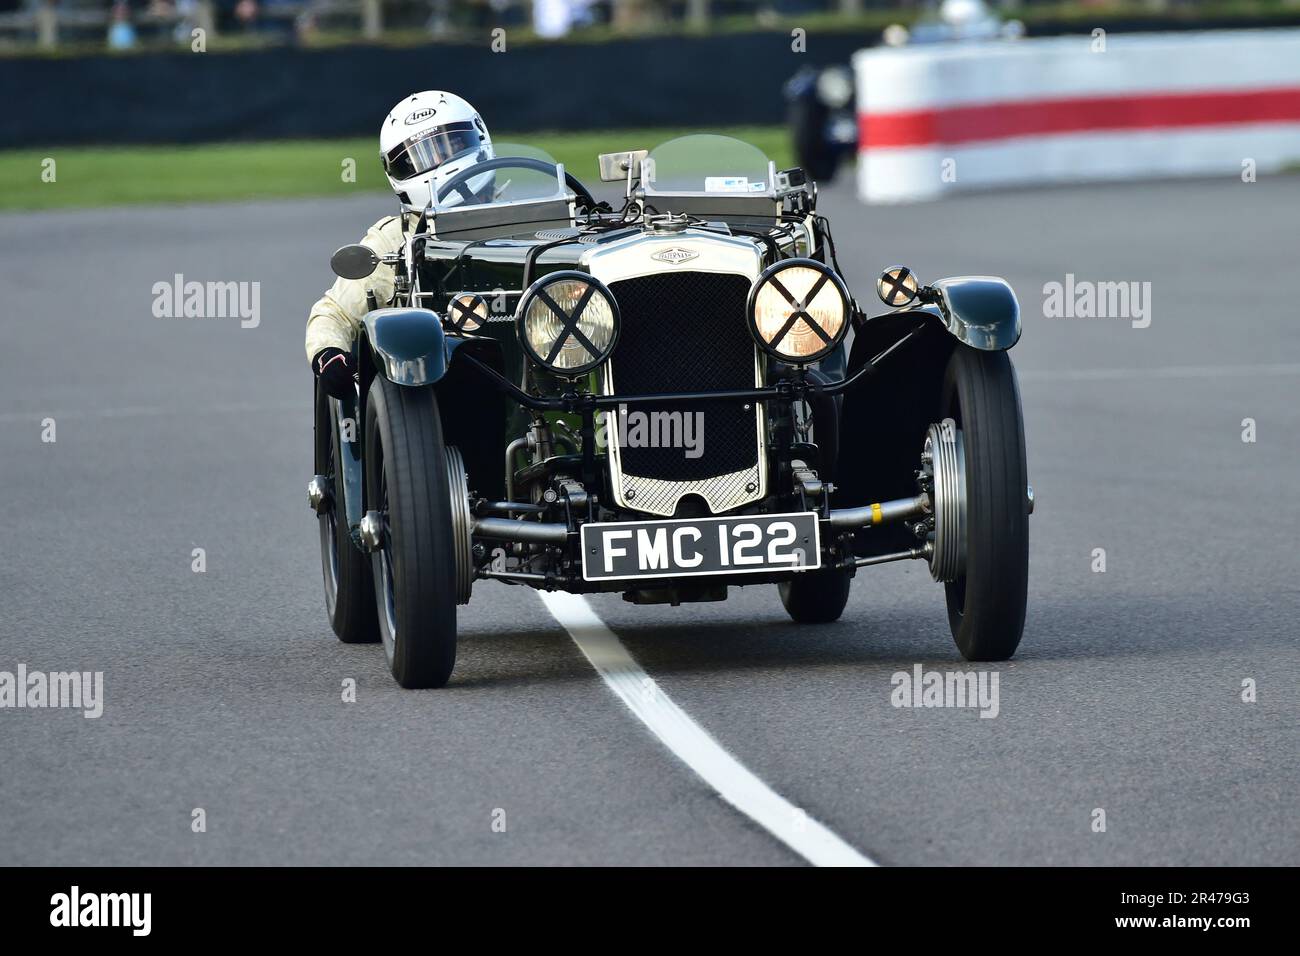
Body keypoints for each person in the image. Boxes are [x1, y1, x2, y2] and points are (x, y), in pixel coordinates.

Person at [307, 91, 494, 400]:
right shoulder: (391, 241)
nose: (440, 164)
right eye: (419, 157)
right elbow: (334, 313)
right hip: (433, 397)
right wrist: (329, 355)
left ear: (479, 138)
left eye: (452, 146)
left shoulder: (538, 217)